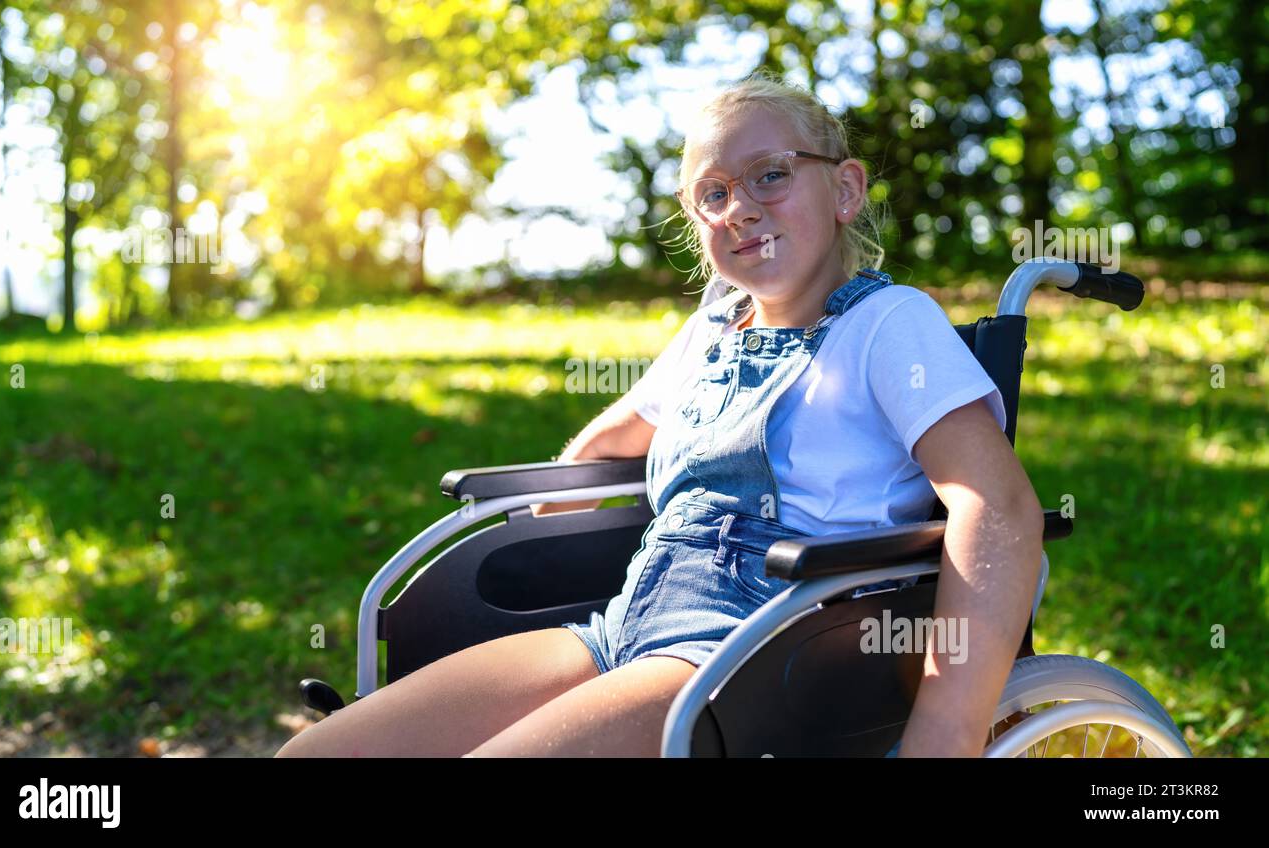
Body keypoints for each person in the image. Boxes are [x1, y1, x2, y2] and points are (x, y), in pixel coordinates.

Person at [275, 71, 1045, 759]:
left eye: (770, 176)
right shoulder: (712, 330)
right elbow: (617, 436)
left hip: (767, 641)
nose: (741, 208)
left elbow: (998, 506)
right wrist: (549, 499)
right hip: (626, 624)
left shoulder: (888, 325)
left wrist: (946, 729)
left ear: (845, 190)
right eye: (714, 193)